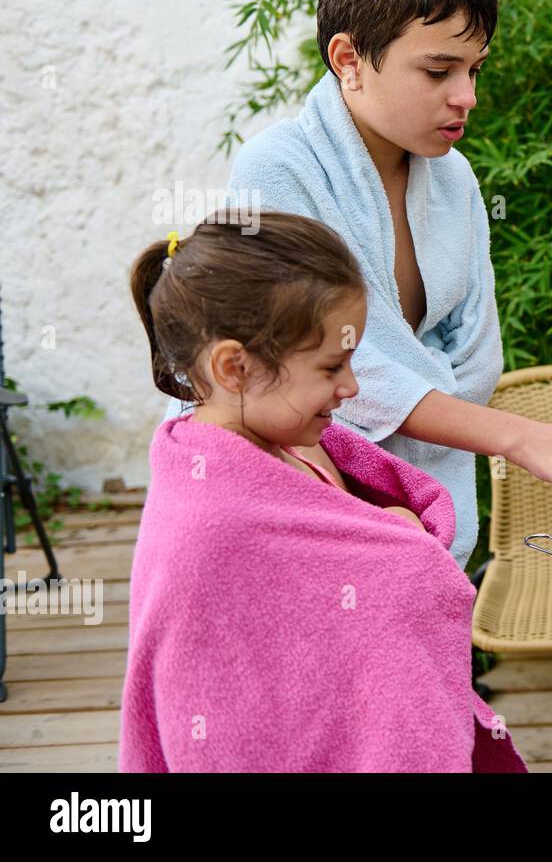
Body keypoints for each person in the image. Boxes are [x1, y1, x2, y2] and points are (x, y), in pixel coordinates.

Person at [164, 0, 552, 567]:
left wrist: (414, 395)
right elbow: (303, 360)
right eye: (439, 71)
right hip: (307, 503)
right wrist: (507, 435)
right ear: (349, 60)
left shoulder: (456, 183)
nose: (467, 96)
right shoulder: (275, 169)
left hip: (431, 515)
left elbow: (478, 361)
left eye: (475, 69)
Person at [121, 212, 526, 772]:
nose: (351, 387)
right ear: (235, 366)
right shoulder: (207, 520)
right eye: (332, 365)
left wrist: (393, 536)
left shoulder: (294, 445)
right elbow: (226, 706)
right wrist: (406, 542)